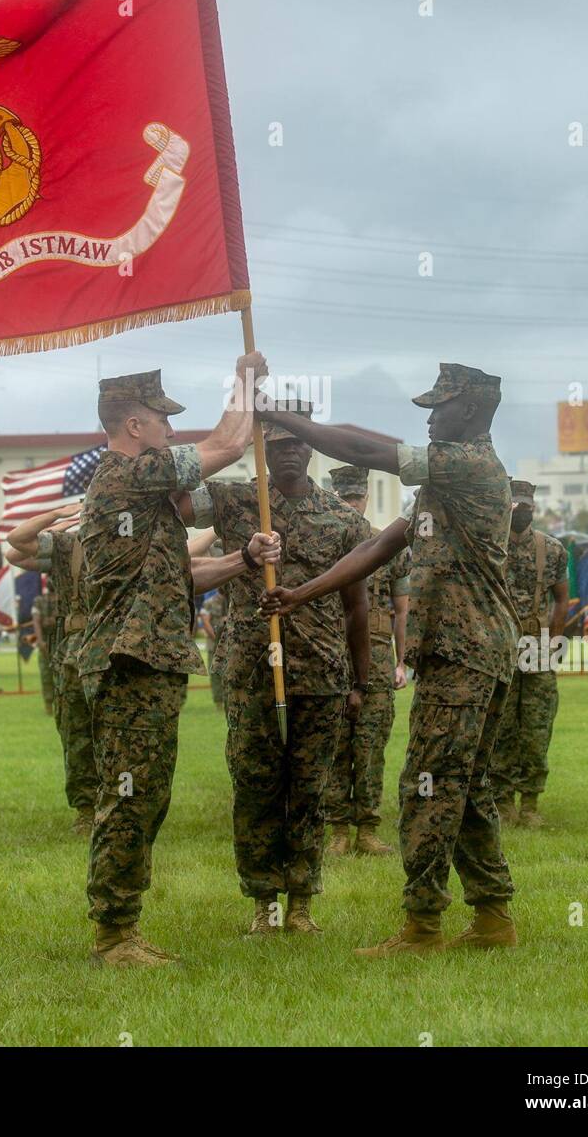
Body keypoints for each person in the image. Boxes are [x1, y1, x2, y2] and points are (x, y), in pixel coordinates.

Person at [258, 363, 521, 956]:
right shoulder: (443, 482)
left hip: (468, 652)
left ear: (473, 412)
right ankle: (492, 918)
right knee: (468, 785)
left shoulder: (470, 465)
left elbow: (367, 448)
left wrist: (283, 418)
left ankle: (423, 925)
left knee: (426, 786)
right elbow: (379, 544)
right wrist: (302, 593)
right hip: (470, 651)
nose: (430, 417)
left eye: (441, 407)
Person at [77, 355, 272, 967]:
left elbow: (178, 575)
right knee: (132, 797)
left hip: (146, 662)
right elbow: (228, 443)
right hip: (130, 663)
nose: (169, 430)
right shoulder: (128, 476)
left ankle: (123, 927)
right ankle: (114, 936)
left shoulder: (142, 491)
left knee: (148, 794)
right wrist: (245, 383)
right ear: (134, 425)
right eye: (161, 420)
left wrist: (241, 560)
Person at [177, 398, 370, 936]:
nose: (288, 455)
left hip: (321, 670)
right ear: (262, 450)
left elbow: (358, 606)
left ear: (309, 448)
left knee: (309, 789)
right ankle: (265, 900)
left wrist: (361, 681)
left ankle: (302, 900)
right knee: (257, 784)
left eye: (296, 444)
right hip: (251, 670)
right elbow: (172, 502)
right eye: (276, 445)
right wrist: (233, 422)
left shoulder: (341, 519)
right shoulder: (238, 501)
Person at [324, 464, 410, 856]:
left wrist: (401, 661)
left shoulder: (387, 547)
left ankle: (368, 828)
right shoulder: (323, 544)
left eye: (356, 497)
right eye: (344, 497)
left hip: (376, 655)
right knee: (335, 741)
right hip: (331, 652)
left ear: (365, 498)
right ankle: (339, 828)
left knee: (371, 743)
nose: (350, 504)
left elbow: (402, 608)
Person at [7, 504, 99, 837]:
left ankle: (126, 804)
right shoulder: (67, 546)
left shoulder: (137, 537)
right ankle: (87, 810)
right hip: (76, 652)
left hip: (124, 649)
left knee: (123, 735)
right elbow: (15, 544)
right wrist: (58, 514)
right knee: (76, 734)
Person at [489, 480, 569, 828]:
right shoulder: (489, 546)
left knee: (536, 727)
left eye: (527, 507)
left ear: (534, 509)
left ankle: (531, 803)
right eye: (516, 507)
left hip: (537, 646)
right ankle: (502, 800)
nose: (522, 513)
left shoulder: (551, 550)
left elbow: (562, 598)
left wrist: (555, 639)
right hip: (499, 647)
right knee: (501, 726)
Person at [31, 583, 58, 715]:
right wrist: (40, 641)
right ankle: (48, 704)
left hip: (61, 641)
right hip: (46, 643)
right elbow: (36, 621)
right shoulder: (39, 601)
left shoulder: (63, 599)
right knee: (46, 675)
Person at [200, 587, 228, 710]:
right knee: (215, 673)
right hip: (214, 645)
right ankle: (219, 702)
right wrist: (217, 638)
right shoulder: (209, 602)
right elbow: (205, 622)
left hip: (231, 644)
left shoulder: (234, 602)